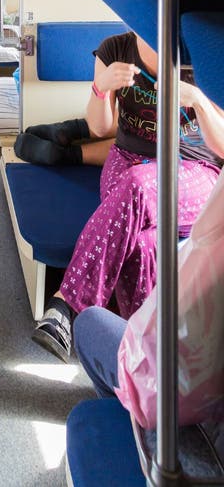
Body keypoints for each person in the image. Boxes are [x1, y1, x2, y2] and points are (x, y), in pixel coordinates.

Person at [31, 30, 224, 362]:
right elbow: (101, 129)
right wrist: (100, 88)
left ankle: (66, 302)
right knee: (140, 244)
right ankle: (142, 361)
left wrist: (198, 101)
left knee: (139, 183)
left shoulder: (207, 48)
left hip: (194, 170)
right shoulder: (115, 48)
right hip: (127, 160)